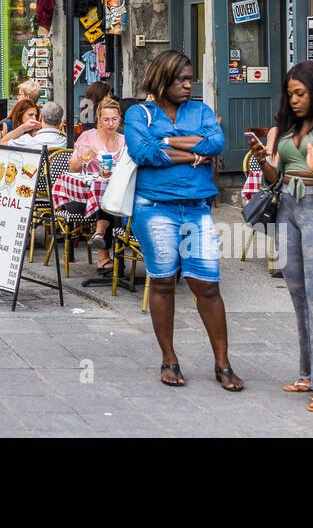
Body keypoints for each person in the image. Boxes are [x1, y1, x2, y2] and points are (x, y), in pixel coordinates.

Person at [246, 60, 313, 411]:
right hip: (287, 209)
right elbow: (274, 178)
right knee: (296, 293)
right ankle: (307, 373)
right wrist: (262, 160)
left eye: (300, 93)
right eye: (290, 94)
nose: (293, 100)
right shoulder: (287, 127)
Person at [127, 50, 240, 392]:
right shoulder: (139, 113)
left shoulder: (201, 110)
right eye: (182, 80)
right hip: (155, 208)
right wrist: (195, 154)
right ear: (162, 80)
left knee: (207, 284)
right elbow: (141, 151)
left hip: (196, 208)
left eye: (190, 79)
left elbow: (216, 142)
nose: (189, 85)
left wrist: (166, 143)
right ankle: (169, 359)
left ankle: (223, 364)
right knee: (162, 282)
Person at [72, 95, 125, 273]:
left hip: (117, 195)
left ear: (120, 119)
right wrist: (84, 154)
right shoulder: (88, 137)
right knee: (108, 197)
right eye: (106, 119)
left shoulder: (124, 140)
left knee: (113, 196)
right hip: (86, 199)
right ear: (99, 119)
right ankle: (104, 255)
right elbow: (73, 168)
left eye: (114, 119)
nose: (110, 123)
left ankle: (100, 234)